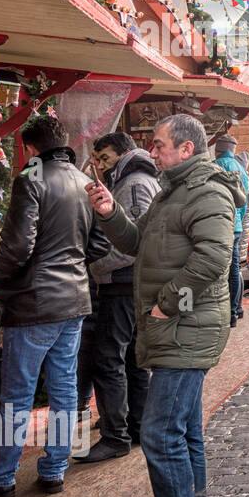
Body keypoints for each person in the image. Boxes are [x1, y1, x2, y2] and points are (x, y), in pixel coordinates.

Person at [86, 114, 243, 497]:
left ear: (186, 150)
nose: (151, 151)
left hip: (186, 327)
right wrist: (110, 213)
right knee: (184, 430)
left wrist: (169, 304)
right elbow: (137, 243)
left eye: (157, 144)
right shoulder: (171, 189)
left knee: (158, 433)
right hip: (177, 327)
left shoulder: (207, 191)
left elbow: (215, 258)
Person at [0, 116, 108, 497]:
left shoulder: (31, 178)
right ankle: (54, 469)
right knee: (65, 388)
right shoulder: (82, 179)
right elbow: (100, 245)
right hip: (73, 299)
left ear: (32, 148)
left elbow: (19, 245)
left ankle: (2, 476)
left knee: (17, 394)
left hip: (35, 300)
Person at [77, 131, 159, 462]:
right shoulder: (132, 178)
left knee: (108, 357)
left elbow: (135, 241)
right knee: (131, 358)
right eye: (96, 159)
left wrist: (95, 262)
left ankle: (116, 434)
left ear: (123, 153)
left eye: (104, 158)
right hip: (129, 281)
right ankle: (137, 425)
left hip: (124, 282)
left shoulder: (134, 182)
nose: (98, 165)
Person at [212, 133, 249, 327]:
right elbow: (245, 202)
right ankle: (235, 309)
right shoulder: (241, 168)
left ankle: (229, 311)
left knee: (223, 269)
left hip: (222, 224)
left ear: (218, 150)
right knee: (235, 268)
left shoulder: (217, 166)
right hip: (235, 224)